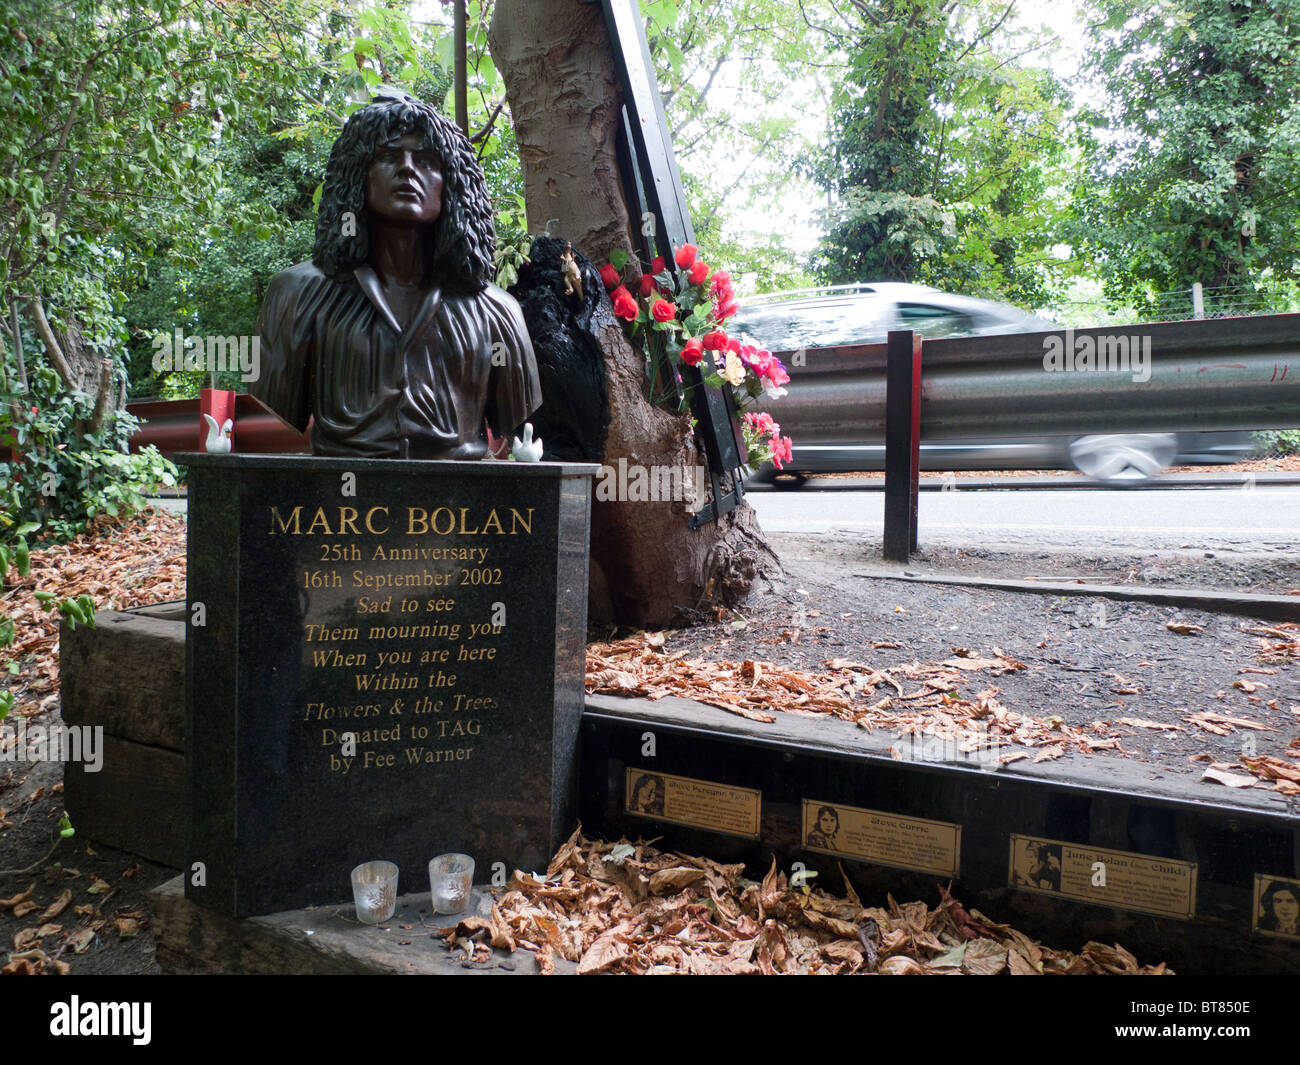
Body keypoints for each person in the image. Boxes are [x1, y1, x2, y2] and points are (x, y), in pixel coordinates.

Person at [254, 92, 541, 459]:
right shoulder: (296, 295)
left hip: (460, 506)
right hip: (340, 507)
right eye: (388, 157)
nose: (407, 169)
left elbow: (517, 417)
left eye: (426, 160)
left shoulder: (498, 312)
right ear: (358, 174)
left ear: (450, 183)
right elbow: (276, 407)